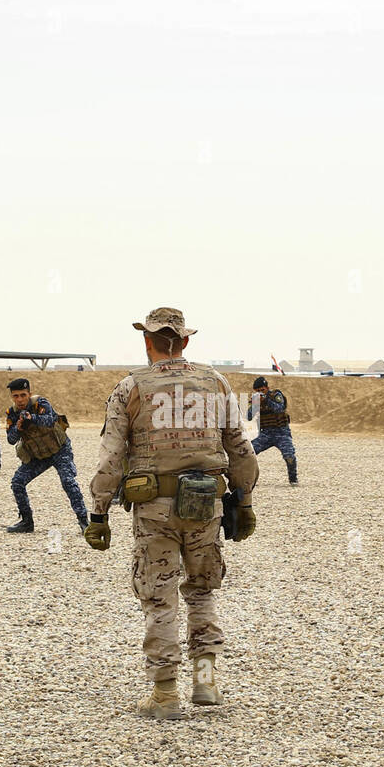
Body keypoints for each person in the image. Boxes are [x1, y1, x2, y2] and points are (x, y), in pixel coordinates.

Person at [85, 307, 259, 719]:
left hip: (154, 509)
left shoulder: (131, 387)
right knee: (201, 591)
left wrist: (99, 513)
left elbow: (111, 455)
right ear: (185, 341)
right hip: (206, 506)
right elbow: (240, 447)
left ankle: (165, 695)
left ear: (147, 341)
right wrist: (246, 501)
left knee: (159, 597)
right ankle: (205, 682)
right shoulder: (215, 383)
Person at [3, 377, 88, 533]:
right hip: (37, 456)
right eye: (16, 396)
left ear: (29, 394)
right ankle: (27, 522)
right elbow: (10, 439)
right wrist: (19, 428)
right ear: (12, 397)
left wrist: (32, 418)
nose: (20, 400)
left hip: (59, 450)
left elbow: (50, 420)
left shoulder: (40, 403)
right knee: (17, 482)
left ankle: (84, 522)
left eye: (23, 395)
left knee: (68, 481)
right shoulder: (12, 413)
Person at [248, 377, 298, 486]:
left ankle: (293, 479)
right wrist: (254, 405)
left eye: (262, 390)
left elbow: (279, 408)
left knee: (289, 456)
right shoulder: (257, 400)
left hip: (282, 433)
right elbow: (248, 417)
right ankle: (247, 478)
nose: (260, 393)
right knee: (248, 453)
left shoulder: (276, 395)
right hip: (266, 434)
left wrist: (266, 400)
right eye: (257, 391)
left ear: (267, 388)